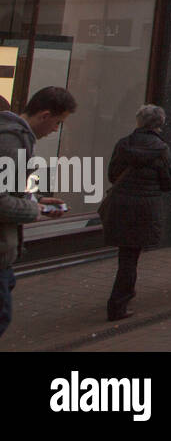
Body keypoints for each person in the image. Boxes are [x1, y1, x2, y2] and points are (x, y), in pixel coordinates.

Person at [0, 87, 77, 338]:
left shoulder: (13, 137)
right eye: (58, 122)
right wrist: (37, 209)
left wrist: (38, 198)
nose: (56, 129)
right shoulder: (13, 142)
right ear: (45, 115)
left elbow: (12, 190)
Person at [101, 105, 171, 321]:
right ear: (160, 124)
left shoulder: (124, 144)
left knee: (127, 255)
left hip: (122, 204)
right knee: (131, 256)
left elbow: (113, 174)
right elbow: (168, 182)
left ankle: (123, 297)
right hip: (145, 207)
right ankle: (119, 302)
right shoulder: (162, 149)